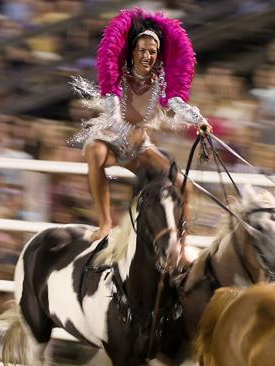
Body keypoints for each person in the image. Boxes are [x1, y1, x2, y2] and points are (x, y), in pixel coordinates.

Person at [70, 8, 211, 240]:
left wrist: (200, 121)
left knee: (185, 187)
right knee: (94, 150)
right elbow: (114, 117)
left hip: (139, 146)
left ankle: (181, 244)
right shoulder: (118, 79)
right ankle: (105, 222)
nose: (147, 56)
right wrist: (131, 134)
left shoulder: (161, 81)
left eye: (152, 52)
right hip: (112, 139)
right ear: (133, 51)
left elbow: (178, 104)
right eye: (142, 51)